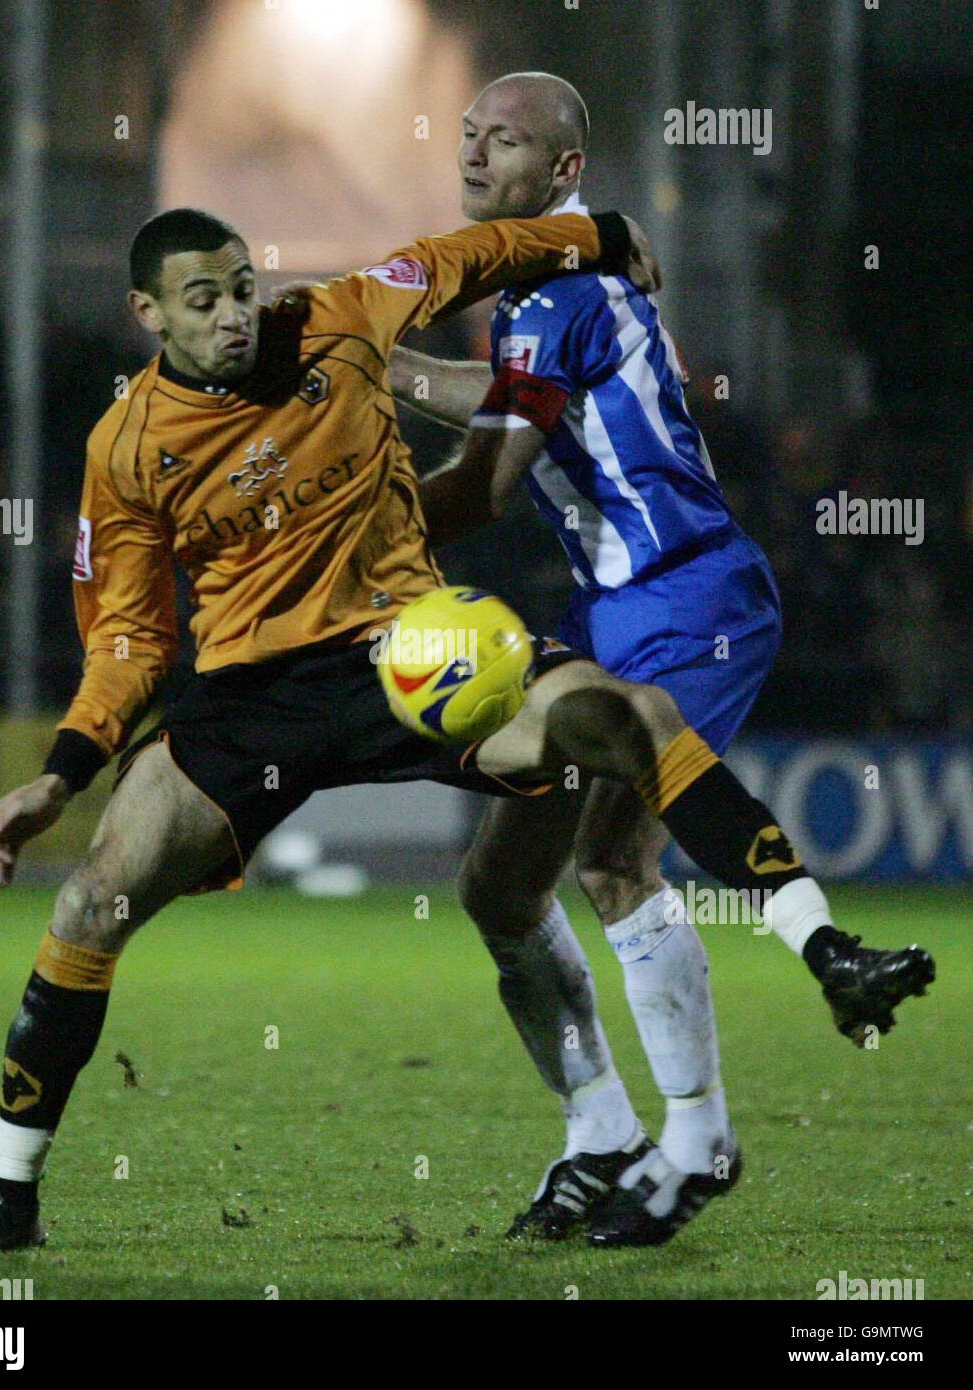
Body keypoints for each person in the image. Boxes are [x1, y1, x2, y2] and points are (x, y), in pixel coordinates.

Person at [0, 206, 928, 1254]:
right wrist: (63, 775)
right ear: (147, 314)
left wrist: (604, 233)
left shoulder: (343, 314)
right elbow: (127, 639)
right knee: (90, 902)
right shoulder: (124, 450)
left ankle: (818, 945)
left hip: (410, 657)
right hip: (248, 698)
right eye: (201, 300)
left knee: (627, 717)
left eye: (240, 288)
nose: (232, 315)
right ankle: (10, 1197)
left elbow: (473, 256)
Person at [388, 72, 934, 1247]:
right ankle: (598, 1135)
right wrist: (374, 365)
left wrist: (354, 538)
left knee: (612, 857)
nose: (478, 154)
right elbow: (496, 397)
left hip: (689, 594)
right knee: (498, 884)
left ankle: (693, 1138)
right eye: (470, 135)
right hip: (617, 609)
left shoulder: (559, 294)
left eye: (510, 140)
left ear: (565, 172)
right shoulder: (551, 296)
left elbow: (485, 482)